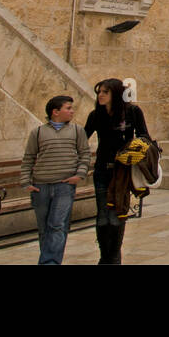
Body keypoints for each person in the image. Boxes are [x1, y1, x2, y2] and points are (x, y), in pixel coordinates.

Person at [84, 77, 148, 264]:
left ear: (116, 93)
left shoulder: (132, 112)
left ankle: (112, 259)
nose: (101, 95)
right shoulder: (96, 115)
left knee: (116, 216)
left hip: (122, 172)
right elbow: (83, 137)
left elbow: (144, 136)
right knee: (102, 217)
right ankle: (106, 258)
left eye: (105, 92)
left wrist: (132, 150)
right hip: (102, 170)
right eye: (99, 92)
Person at [20, 95, 89, 265]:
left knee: (57, 225)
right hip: (40, 187)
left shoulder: (77, 131)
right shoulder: (38, 133)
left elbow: (84, 154)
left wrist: (79, 174)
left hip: (64, 186)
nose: (72, 111)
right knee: (44, 227)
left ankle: (49, 262)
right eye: (68, 108)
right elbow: (28, 158)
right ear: (55, 112)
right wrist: (26, 182)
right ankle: (49, 259)